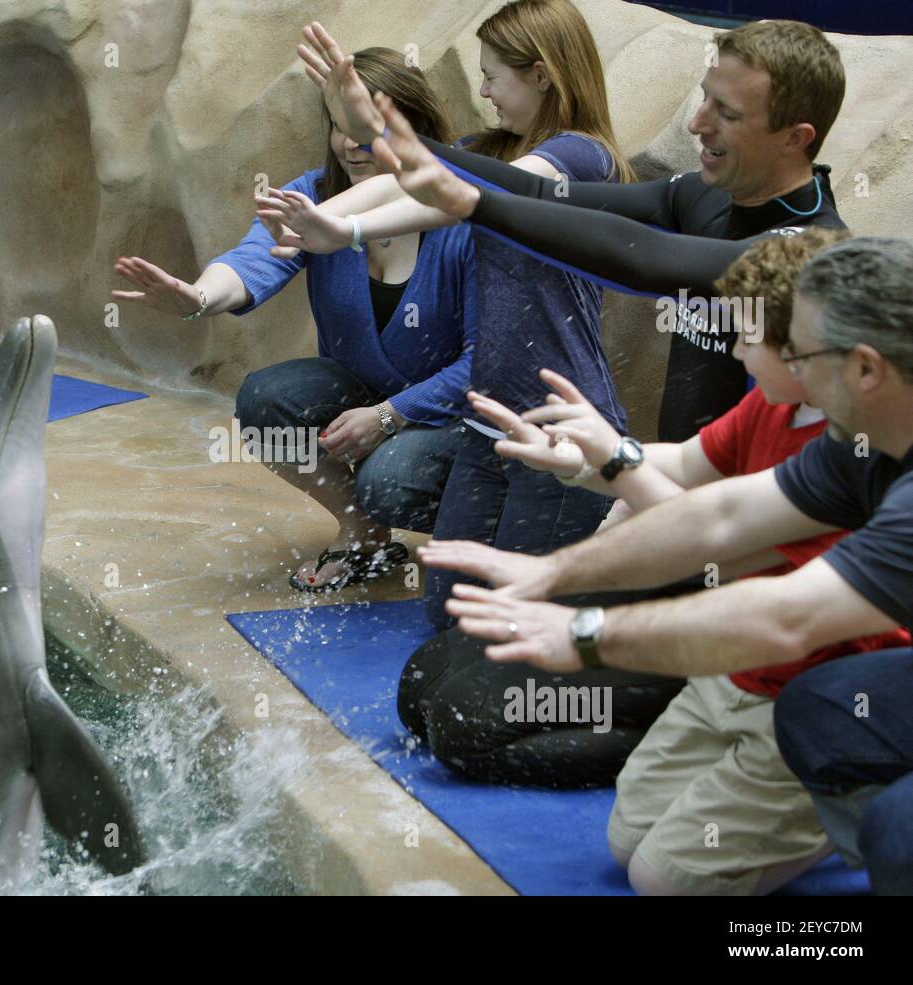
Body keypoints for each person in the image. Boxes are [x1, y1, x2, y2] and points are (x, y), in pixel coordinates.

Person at [417, 237, 913, 896]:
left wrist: (584, 635)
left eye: (798, 348)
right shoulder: (854, 442)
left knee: (882, 834)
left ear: (867, 370)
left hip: (810, 658)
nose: (759, 353)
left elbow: (786, 610)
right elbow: (722, 515)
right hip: (755, 674)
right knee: (630, 837)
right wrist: (553, 570)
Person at [294, 17, 847, 442]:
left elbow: (640, 260)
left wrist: (469, 204)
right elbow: (537, 193)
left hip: (771, 520)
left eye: (725, 111)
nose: (697, 123)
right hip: (695, 480)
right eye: (703, 98)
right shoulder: (698, 194)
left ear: (795, 138)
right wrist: (386, 136)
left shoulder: (809, 253)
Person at [262, 0, 635, 628]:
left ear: (542, 74)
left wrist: (348, 225)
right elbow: (412, 178)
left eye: (493, 76)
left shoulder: (580, 157)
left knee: (514, 624)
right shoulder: (494, 149)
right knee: (448, 614)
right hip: (492, 428)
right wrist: (336, 216)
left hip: (560, 428)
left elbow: (463, 197)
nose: (483, 91)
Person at [113, 49, 479, 593]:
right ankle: (364, 536)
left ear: (413, 130)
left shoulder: (459, 214)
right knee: (266, 400)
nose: (350, 142)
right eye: (338, 125)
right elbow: (253, 259)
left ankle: (483, 543)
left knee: (391, 480)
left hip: (456, 412)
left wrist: (390, 415)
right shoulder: (314, 197)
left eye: (368, 127)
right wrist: (197, 297)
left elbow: (486, 360)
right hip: (370, 392)